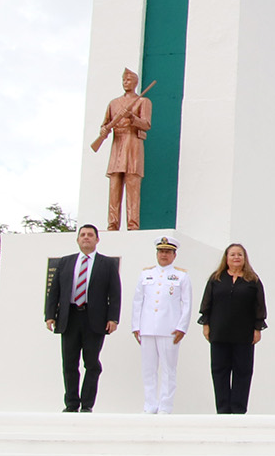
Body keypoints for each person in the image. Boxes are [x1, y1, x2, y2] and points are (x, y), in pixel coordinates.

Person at [44, 224, 121, 413]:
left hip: (94, 319)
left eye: (90, 235)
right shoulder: (65, 262)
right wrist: (50, 315)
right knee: (69, 363)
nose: (86, 237)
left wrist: (113, 318)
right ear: (78, 239)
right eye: (83, 235)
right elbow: (54, 291)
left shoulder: (107, 264)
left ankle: (87, 405)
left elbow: (115, 293)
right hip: (69, 318)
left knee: (92, 363)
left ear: (97, 239)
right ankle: (71, 404)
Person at [198, 243, 265, 414]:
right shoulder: (216, 279)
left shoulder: (253, 280)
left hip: (244, 334)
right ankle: (223, 410)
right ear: (226, 258)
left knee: (243, 372)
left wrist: (257, 328)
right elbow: (206, 303)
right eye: (233, 254)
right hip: (219, 332)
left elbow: (259, 306)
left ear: (245, 258)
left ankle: (238, 409)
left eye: (239, 254)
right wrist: (206, 325)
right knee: (219, 371)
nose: (236, 257)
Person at [131, 236, 192, 414]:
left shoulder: (181, 276)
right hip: (147, 327)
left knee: (168, 369)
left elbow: (187, 303)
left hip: (170, 329)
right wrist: (136, 326)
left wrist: (182, 327)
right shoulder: (146, 274)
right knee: (148, 369)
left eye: (167, 252)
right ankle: (150, 405)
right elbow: (137, 301)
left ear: (174, 255)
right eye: (161, 251)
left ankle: (165, 406)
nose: (164, 255)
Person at [96, 68, 152, 231]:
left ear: (135, 83)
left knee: (133, 185)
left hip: (133, 144)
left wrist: (132, 117)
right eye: (124, 80)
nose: (125, 83)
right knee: (114, 185)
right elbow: (105, 124)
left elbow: (146, 124)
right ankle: (112, 224)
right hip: (117, 144)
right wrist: (104, 131)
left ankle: (133, 224)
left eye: (129, 80)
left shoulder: (143, 101)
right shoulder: (113, 103)